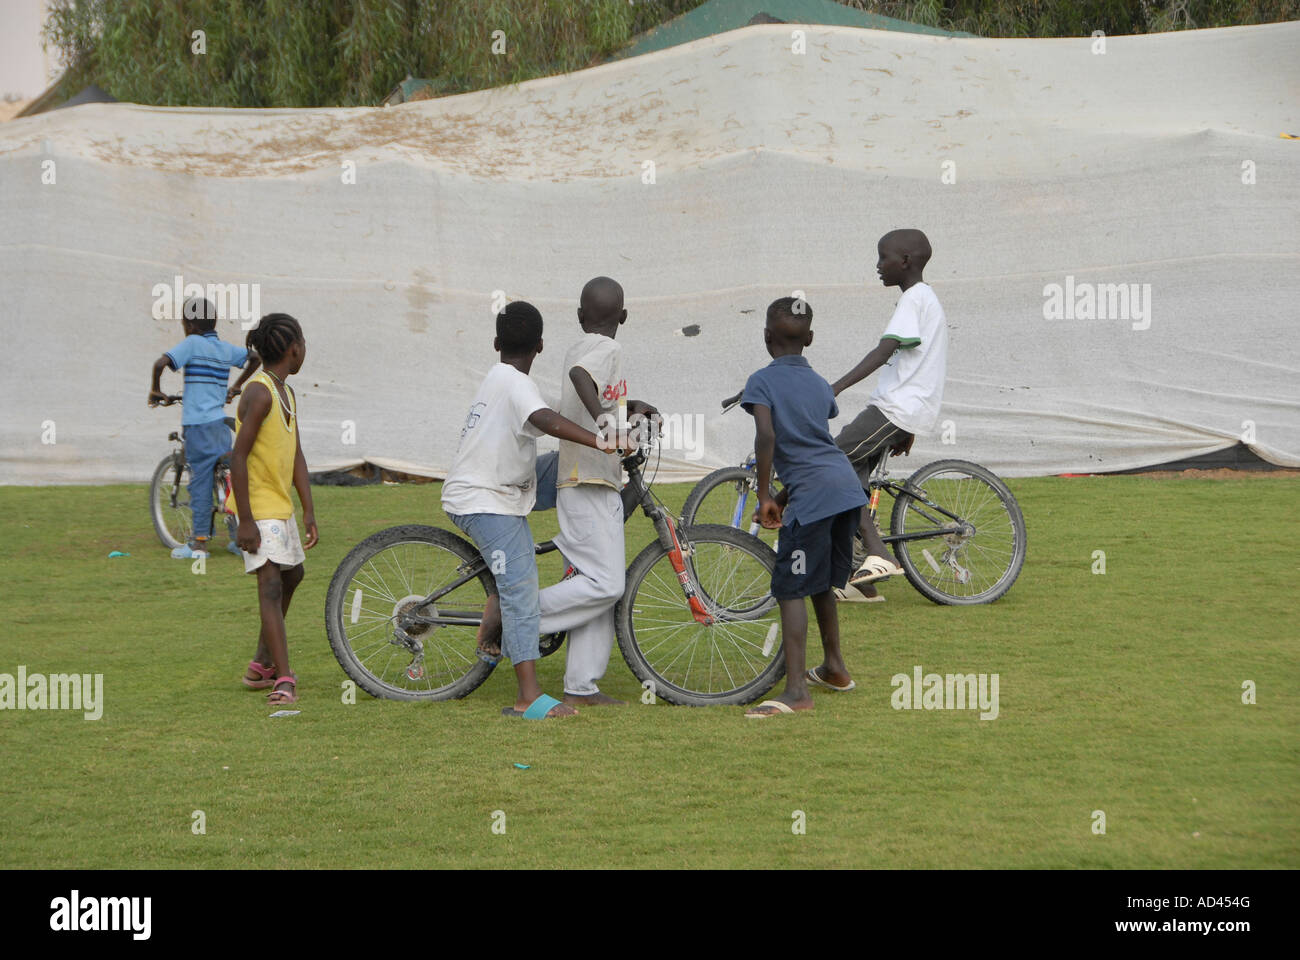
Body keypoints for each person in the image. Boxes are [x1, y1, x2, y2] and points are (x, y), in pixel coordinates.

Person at [441, 301, 622, 720]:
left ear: (495, 343)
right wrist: (599, 441)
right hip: (486, 498)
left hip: (504, 481)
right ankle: (528, 697)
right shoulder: (516, 383)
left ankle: (515, 609)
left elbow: (551, 417)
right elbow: (546, 420)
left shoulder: (500, 378)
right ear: (540, 345)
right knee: (520, 588)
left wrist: (623, 419)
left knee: (568, 467)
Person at [740, 297, 867, 718]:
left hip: (813, 499)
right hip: (844, 488)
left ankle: (796, 691)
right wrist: (780, 498)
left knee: (791, 587)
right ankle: (834, 668)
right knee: (819, 584)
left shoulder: (761, 381)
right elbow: (816, 445)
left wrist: (762, 496)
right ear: (810, 339)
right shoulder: (818, 384)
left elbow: (766, 438)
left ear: (765, 337)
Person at [534, 277, 658, 707]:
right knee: (606, 584)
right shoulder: (607, 350)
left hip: (593, 477)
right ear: (623, 316)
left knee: (599, 582)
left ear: (580, 315)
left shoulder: (583, 345)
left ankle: (581, 686)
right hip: (586, 478)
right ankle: (517, 615)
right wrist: (609, 425)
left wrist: (629, 408)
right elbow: (581, 378)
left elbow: (590, 389)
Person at [829, 228, 948, 599]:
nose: (878, 266)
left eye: (883, 258)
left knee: (832, 460)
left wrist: (833, 388)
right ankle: (862, 584)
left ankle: (877, 551)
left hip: (894, 408)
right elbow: (918, 362)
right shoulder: (924, 300)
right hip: (900, 410)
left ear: (906, 262)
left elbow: (883, 352)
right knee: (849, 480)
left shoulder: (915, 299)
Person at [230, 313, 317, 705]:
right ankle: (283, 679)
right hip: (256, 507)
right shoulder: (259, 392)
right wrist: (244, 520)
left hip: (277, 505)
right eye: (303, 341)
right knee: (269, 586)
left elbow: (295, 454)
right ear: (293, 348)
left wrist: (309, 510)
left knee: (292, 575)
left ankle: (261, 664)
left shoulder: (287, 393)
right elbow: (237, 456)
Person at [148, 296, 261, 558]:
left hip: (198, 428)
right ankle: (237, 540)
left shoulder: (193, 343)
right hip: (221, 427)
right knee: (229, 481)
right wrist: (236, 386)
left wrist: (156, 389)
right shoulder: (223, 349)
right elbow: (254, 358)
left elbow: (160, 363)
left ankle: (198, 544)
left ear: (189, 324)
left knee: (199, 481)